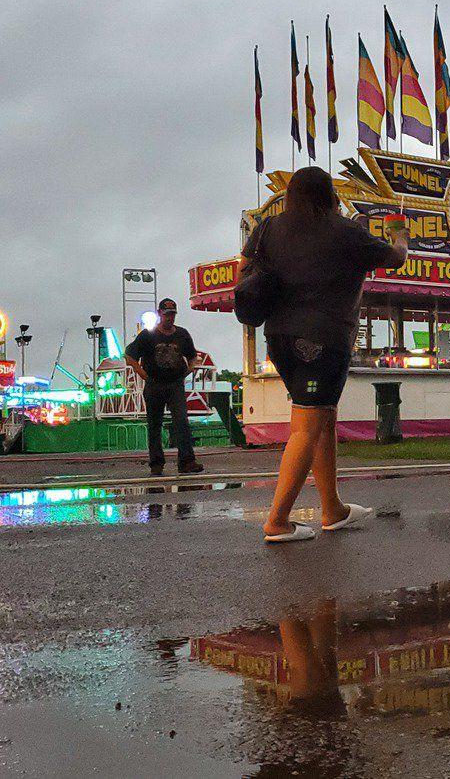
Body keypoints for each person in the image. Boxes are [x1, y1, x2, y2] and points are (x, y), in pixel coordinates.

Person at [240, 166, 408, 543]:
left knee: (323, 417)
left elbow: (245, 268)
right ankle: (277, 520)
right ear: (329, 193)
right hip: (323, 340)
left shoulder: (269, 228)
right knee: (306, 425)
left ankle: (332, 508)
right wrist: (400, 236)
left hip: (279, 338)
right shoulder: (343, 230)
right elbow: (395, 258)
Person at [125, 297, 204, 477]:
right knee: (154, 424)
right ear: (160, 314)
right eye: (167, 314)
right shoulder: (147, 335)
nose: (170, 318)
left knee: (181, 421)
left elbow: (192, 356)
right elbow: (130, 355)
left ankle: (186, 461)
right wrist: (142, 374)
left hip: (175, 384)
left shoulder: (182, 334)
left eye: (173, 315)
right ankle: (156, 464)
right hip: (154, 384)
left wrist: (188, 370)